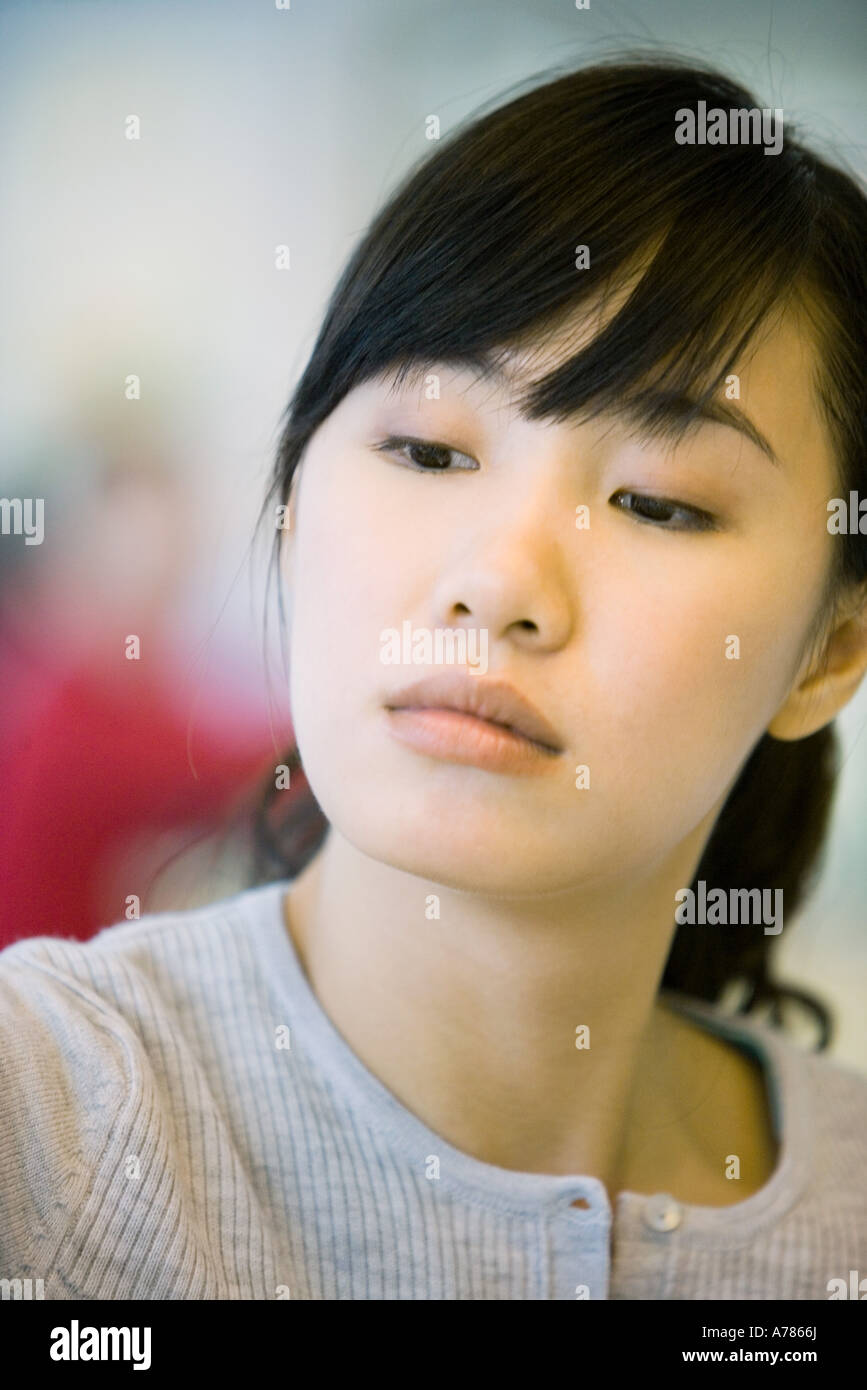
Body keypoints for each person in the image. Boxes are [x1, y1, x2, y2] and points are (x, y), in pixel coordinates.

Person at [2, 54, 867, 1302]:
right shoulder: (43, 1131)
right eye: (426, 447)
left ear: (830, 653)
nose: (500, 581)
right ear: (293, 510)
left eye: (657, 503)